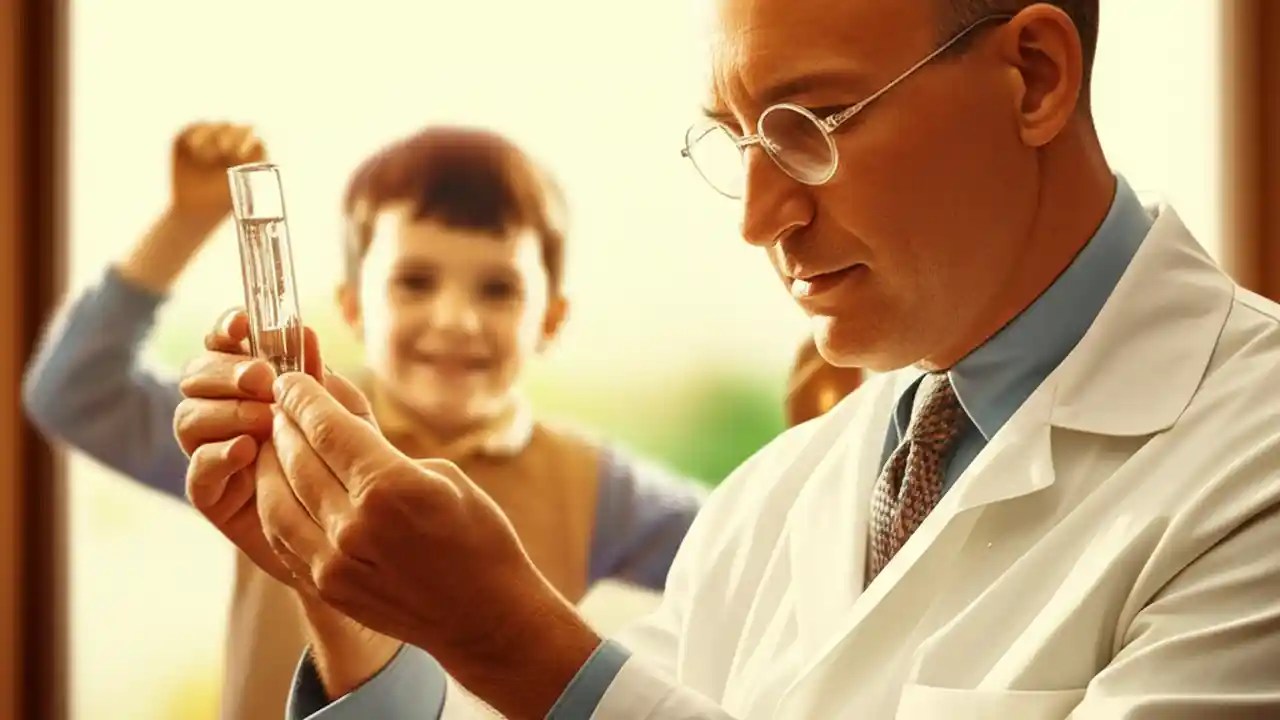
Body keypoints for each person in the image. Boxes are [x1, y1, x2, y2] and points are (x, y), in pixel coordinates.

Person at [177, 0, 1280, 717]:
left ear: (1033, 77)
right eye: (738, 137)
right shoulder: (778, 496)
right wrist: (363, 611)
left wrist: (509, 635)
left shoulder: (1249, 463)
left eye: (810, 125)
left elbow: (585, 696)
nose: (758, 215)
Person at [24, 123, 704, 720]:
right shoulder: (267, 428)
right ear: (352, 307)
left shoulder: (596, 489)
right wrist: (187, 220)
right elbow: (74, 392)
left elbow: (751, 544)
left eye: (497, 289)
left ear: (551, 318)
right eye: (415, 282)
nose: (455, 320)